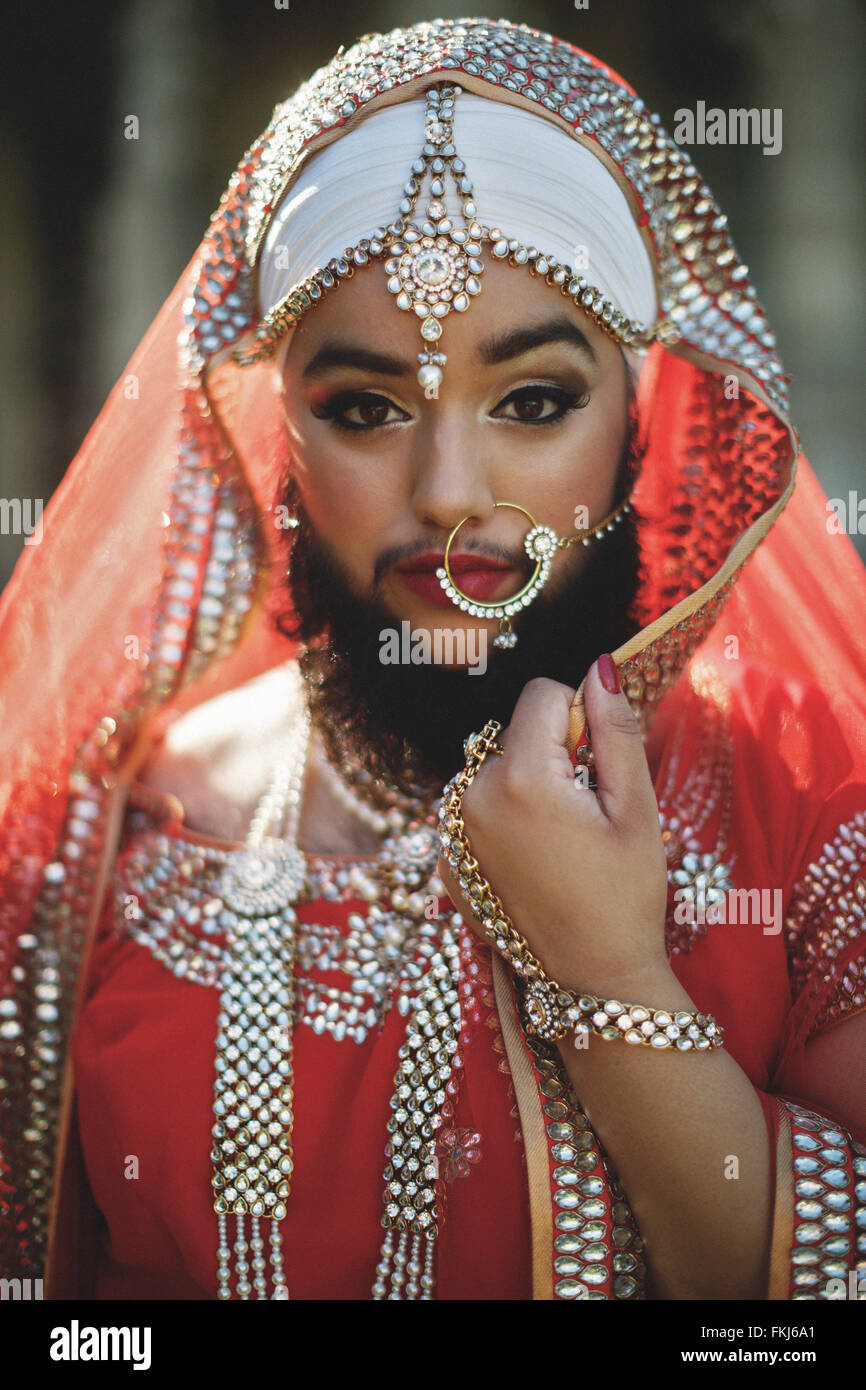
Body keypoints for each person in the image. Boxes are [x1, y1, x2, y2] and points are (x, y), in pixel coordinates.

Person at [1, 16, 864, 1302]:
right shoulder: (109, 834)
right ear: (273, 427)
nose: (450, 490)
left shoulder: (804, 813)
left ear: (640, 419)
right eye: (363, 409)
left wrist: (607, 971)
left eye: (532, 402)